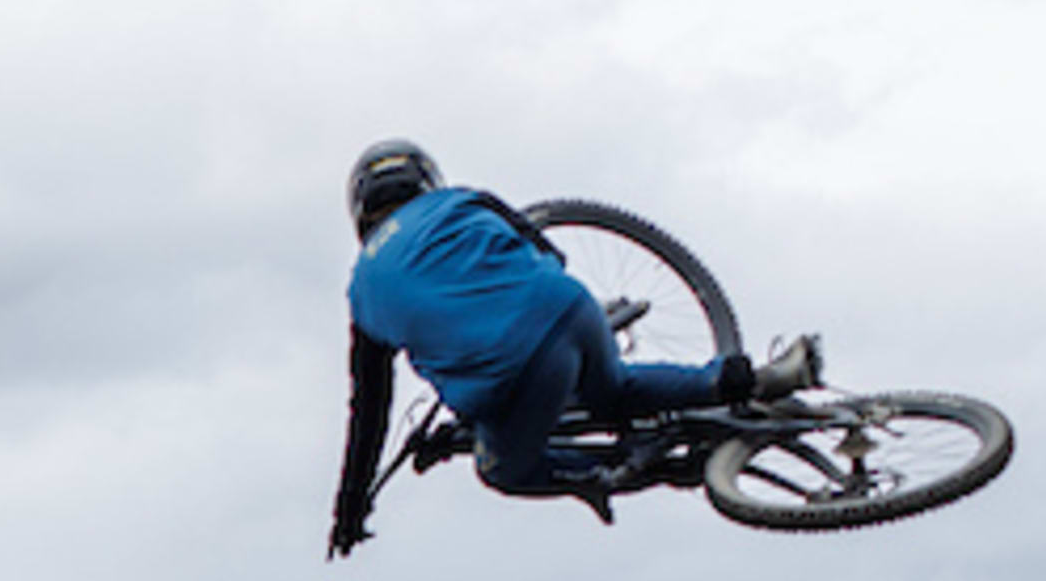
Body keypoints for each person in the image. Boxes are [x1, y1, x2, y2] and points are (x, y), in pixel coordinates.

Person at [328, 140, 816, 557]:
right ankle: (758, 379)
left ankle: (608, 473)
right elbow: (548, 252)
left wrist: (351, 507)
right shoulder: (464, 200)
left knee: (502, 470)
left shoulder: (362, 290)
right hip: (572, 307)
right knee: (615, 388)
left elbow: (369, 414)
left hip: (519, 370)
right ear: (425, 180)